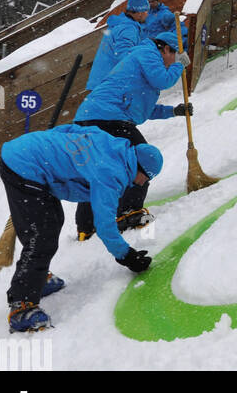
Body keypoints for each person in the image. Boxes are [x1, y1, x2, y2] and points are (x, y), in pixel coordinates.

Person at [0, 124, 161, 332]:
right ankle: (21, 306)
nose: (143, 183)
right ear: (140, 169)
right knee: (42, 234)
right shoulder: (112, 174)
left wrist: (50, 147)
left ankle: (37, 279)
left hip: (25, 152)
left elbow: (70, 130)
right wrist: (127, 256)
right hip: (24, 166)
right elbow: (104, 226)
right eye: (146, 178)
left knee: (50, 221)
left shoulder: (110, 144)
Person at [71, 30, 192, 240]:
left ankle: (86, 227)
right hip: (107, 118)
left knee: (98, 168)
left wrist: (174, 111)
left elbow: (143, 109)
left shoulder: (142, 64)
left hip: (93, 117)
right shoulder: (147, 54)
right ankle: (129, 213)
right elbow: (162, 80)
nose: (172, 61)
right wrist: (180, 64)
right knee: (143, 160)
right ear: (165, 49)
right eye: (174, 55)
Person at [86, 0, 153, 92]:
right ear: (139, 12)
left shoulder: (121, 24)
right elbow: (125, 57)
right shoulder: (128, 29)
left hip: (102, 81)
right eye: (146, 11)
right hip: (109, 86)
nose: (147, 14)